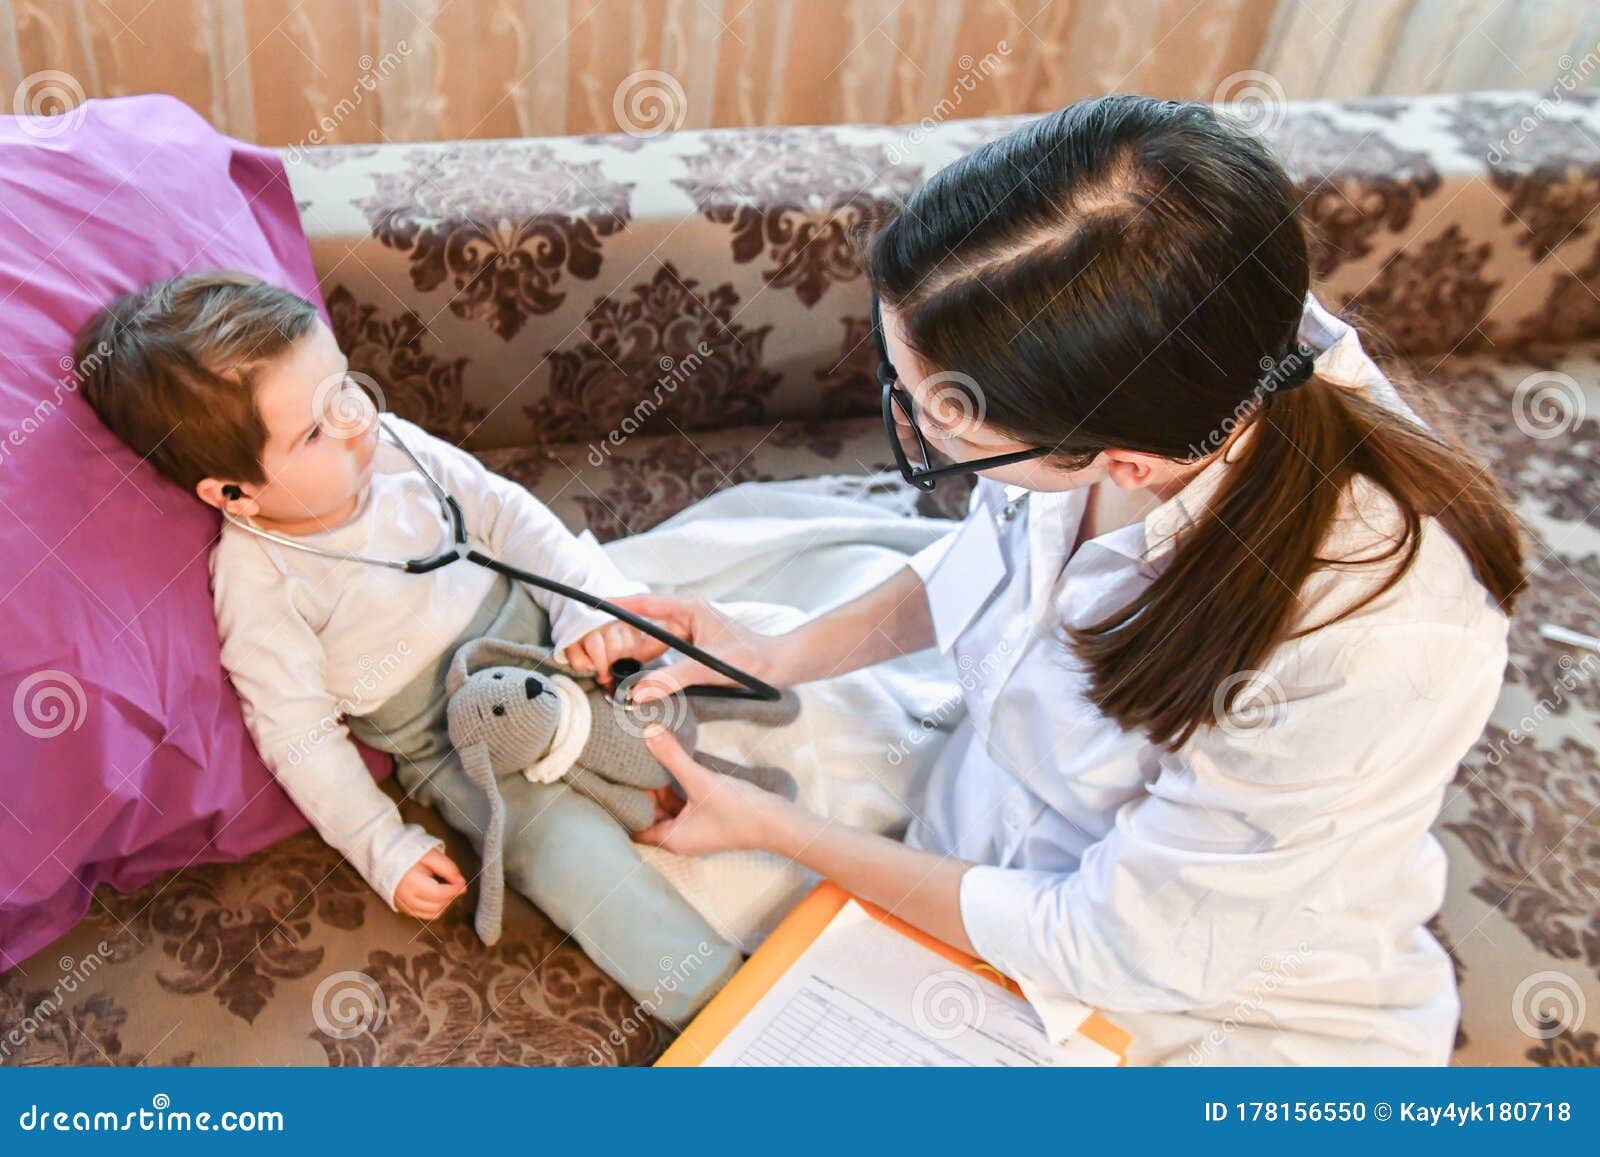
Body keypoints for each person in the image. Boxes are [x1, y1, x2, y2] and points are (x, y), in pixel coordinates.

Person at [611, 95, 1525, 1065]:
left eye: (948, 425)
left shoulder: (1373, 643)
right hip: (981, 840)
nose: (921, 429)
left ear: (1124, 464)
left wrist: (776, 827)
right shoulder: (1153, 338)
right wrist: (773, 650)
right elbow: (990, 569)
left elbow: (1104, 947)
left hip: (1187, 994)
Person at [74, 271, 743, 1026]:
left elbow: (505, 512)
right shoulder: (257, 580)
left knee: (677, 704)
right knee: (564, 854)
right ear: (234, 493)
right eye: (315, 431)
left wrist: (583, 599)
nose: (357, 420)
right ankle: (725, 999)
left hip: (544, 640)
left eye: (343, 386)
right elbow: (299, 737)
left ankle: (790, 828)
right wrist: (382, 846)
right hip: (453, 743)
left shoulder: (395, 449)